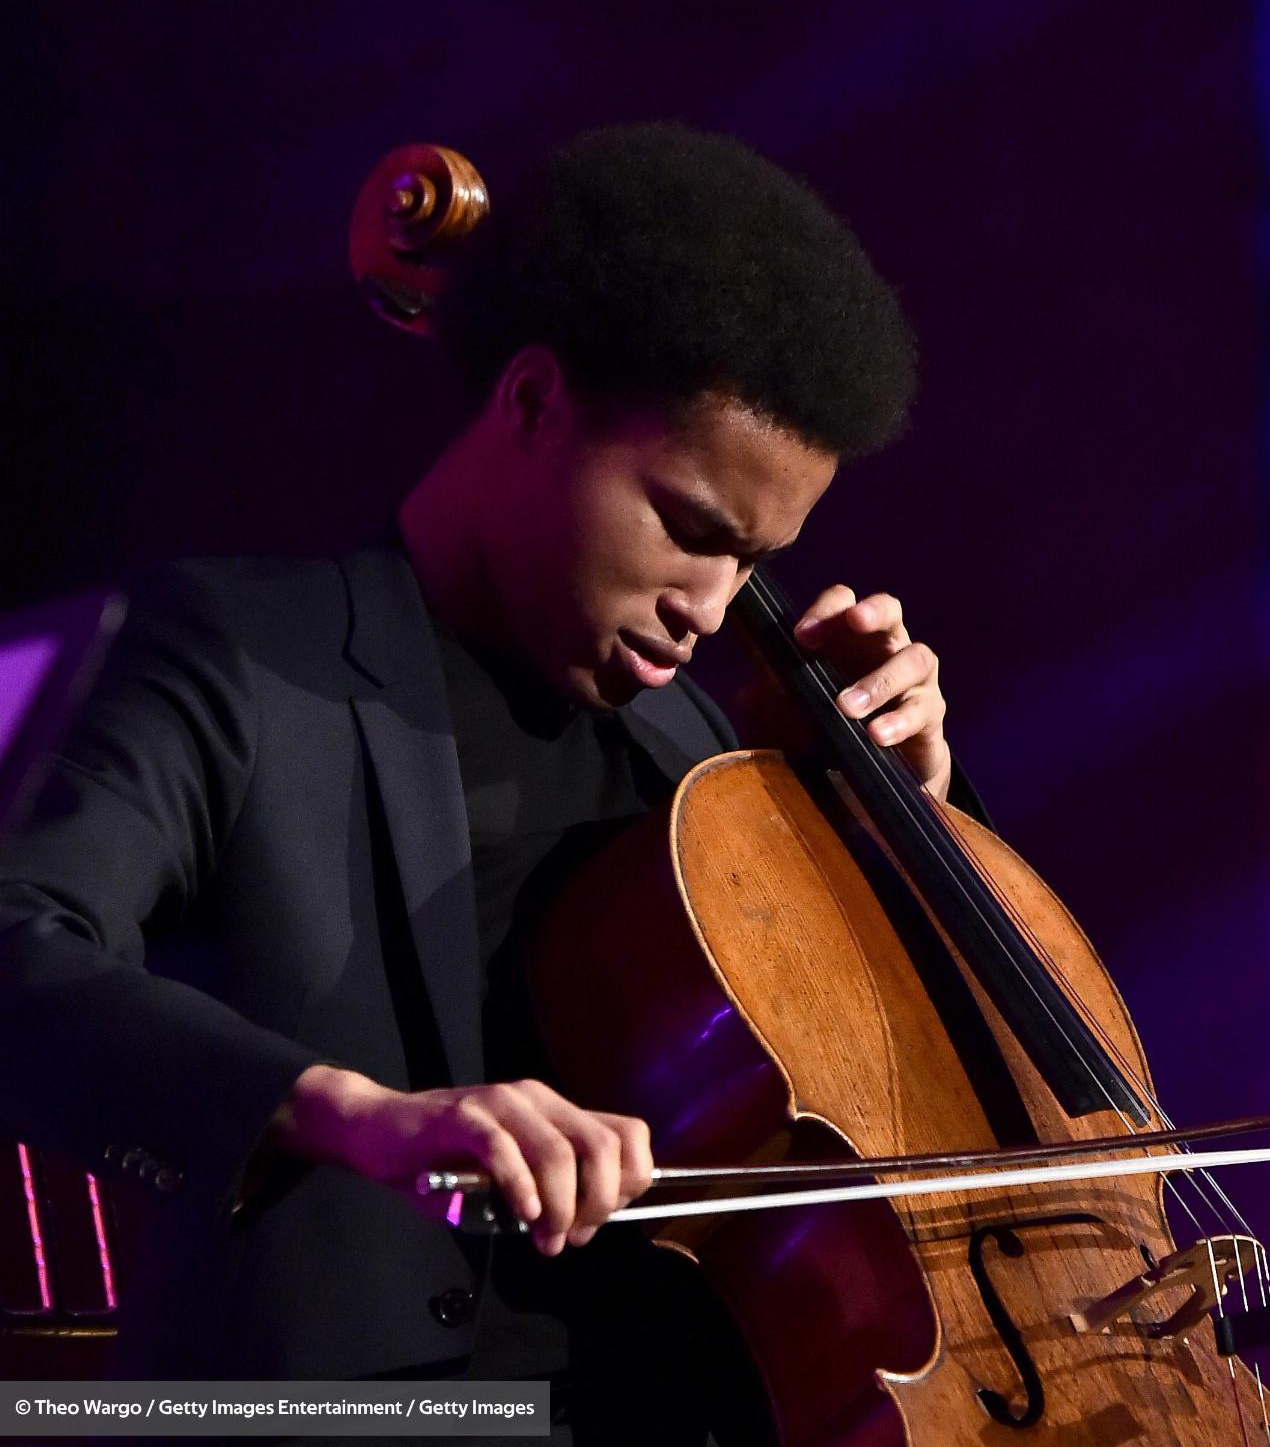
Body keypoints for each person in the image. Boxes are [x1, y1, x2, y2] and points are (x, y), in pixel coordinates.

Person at [0, 124, 975, 1442]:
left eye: (751, 560)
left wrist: (882, 830)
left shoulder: (713, 768)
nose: (708, 605)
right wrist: (359, 1115)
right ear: (528, 402)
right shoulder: (239, 657)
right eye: (688, 527)